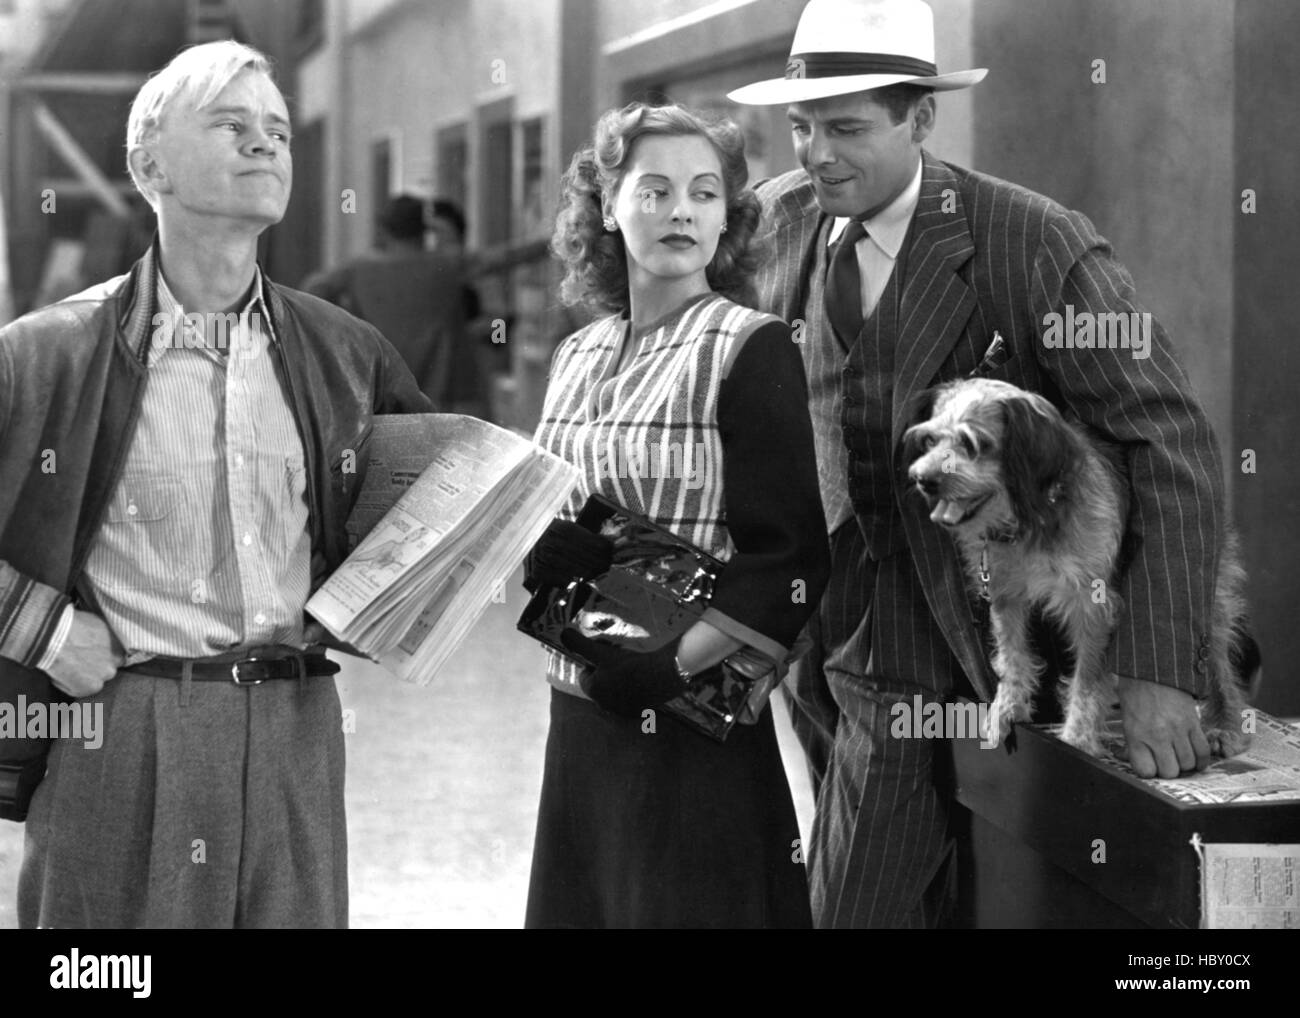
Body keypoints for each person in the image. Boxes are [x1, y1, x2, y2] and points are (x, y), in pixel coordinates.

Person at [729, 0, 1235, 927]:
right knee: (928, 887)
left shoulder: (1030, 241)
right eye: (800, 128)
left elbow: (1174, 443)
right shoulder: (772, 221)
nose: (817, 154)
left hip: (950, 627)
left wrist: (1164, 665)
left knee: (853, 903)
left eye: (846, 129)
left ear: (922, 117)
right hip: (814, 621)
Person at [0, 40, 432, 928]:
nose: (266, 144)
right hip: (119, 730)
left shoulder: (344, 351)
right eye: (230, 125)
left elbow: (426, 507)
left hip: (297, 734)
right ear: (147, 162)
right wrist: (39, 630)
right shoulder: (46, 354)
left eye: (276, 130)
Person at [522, 102, 831, 928]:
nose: (681, 211)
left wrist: (672, 664)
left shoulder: (749, 346)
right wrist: (541, 552)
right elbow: (552, 516)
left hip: (693, 726)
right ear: (606, 209)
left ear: (728, 216)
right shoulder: (577, 353)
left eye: (703, 193)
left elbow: (792, 559)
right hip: (580, 714)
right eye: (653, 191)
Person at [303, 194, 470, 408]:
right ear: (423, 231)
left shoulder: (359, 269)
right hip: (435, 390)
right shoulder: (446, 265)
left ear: (383, 230)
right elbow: (503, 257)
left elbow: (312, 290)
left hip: (378, 386)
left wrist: (345, 325)